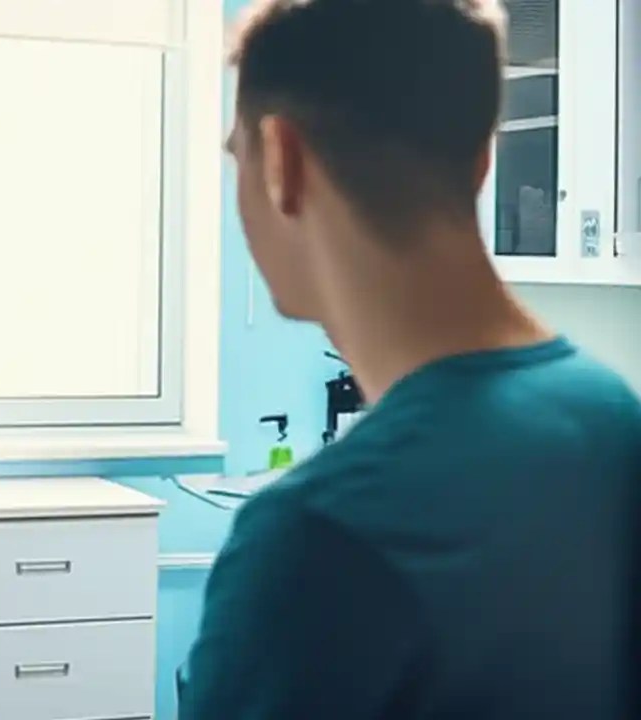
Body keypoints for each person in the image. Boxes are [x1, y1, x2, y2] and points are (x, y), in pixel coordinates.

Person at [180, 1, 641, 718]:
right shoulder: (614, 417)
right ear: (484, 160)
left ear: (281, 160)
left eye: (235, 156)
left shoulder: (313, 538)